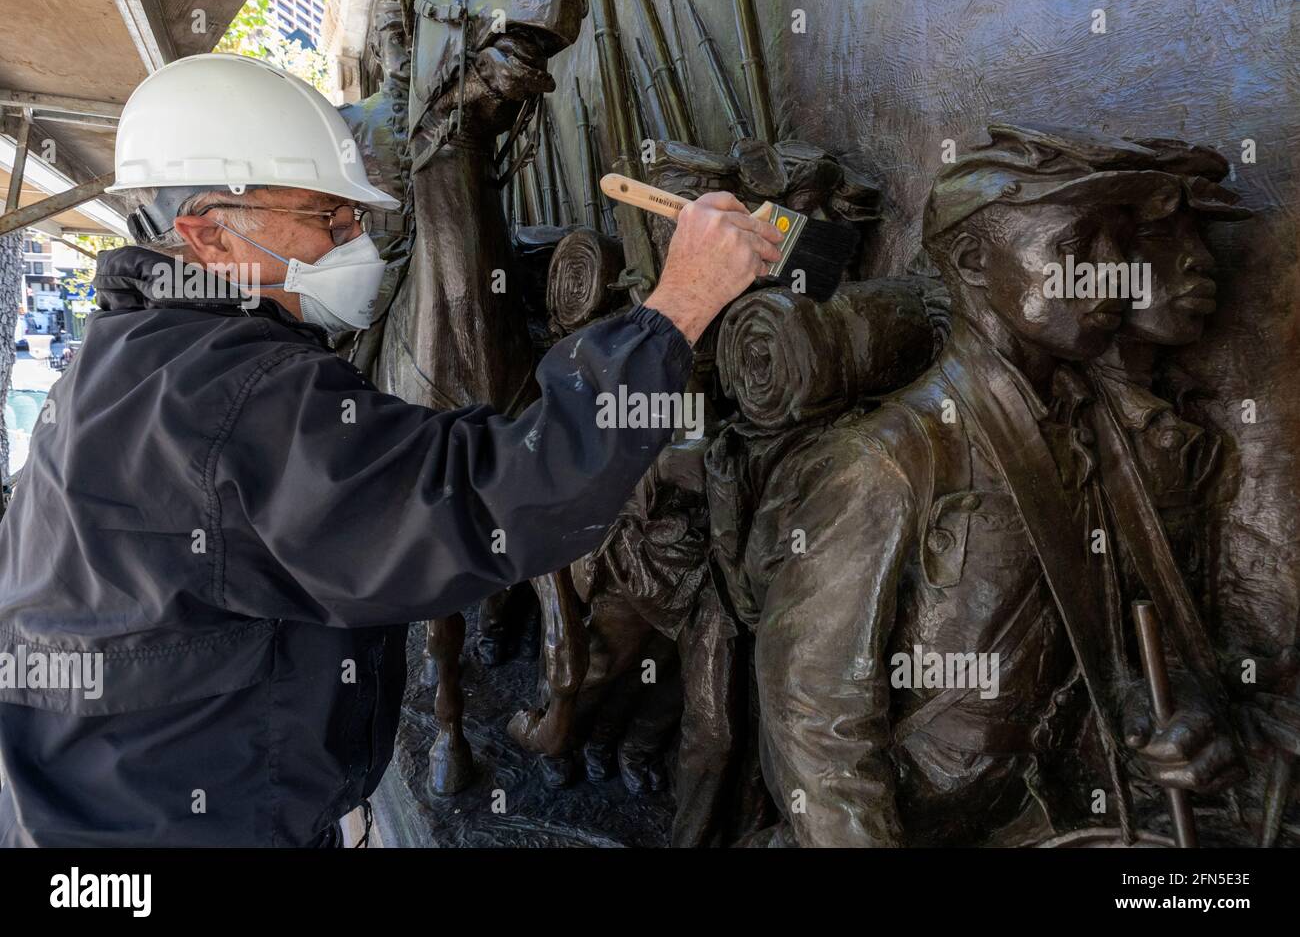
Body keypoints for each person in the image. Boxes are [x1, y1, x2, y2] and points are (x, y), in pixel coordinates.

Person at [0, 53, 783, 846]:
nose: (352, 243)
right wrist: (679, 305)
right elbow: (492, 499)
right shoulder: (230, 393)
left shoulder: (125, 358)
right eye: (326, 219)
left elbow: (420, 467)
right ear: (210, 232)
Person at [749, 125, 1242, 846]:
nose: (1110, 274)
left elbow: (1116, 648)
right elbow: (816, 727)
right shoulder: (888, 462)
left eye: (1119, 245)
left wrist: (1172, 717)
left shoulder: (1093, 433)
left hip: (1039, 820)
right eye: (1077, 248)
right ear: (975, 261)